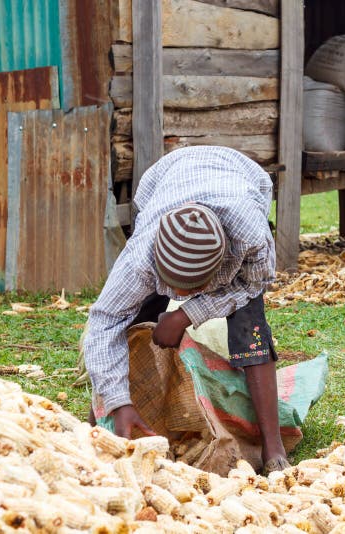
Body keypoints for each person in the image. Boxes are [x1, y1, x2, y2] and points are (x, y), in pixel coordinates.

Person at [83, 146, 290, 473]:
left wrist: (185, 314)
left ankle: (273, 445)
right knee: (138, 320)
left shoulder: (250, 236)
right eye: (172, 285)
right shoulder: (140, 259)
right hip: (164, 182)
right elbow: (104, 320)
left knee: (250, 326)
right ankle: (107, 415)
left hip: (241, 177)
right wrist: (117, 400)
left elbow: (254, 283)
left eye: (190, 289)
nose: (179, 295)